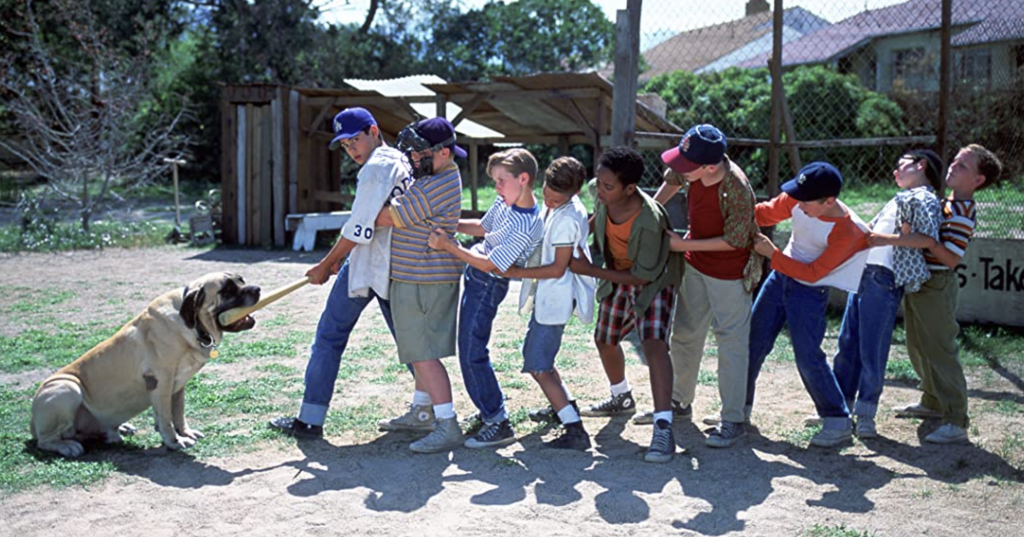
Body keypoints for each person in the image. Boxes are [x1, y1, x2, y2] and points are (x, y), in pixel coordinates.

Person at [269, 107, 418, 439]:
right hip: (397, 263)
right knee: (411, 344)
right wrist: (339, 258)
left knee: (329, 338)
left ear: (374, 130)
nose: (352, 149)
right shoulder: (400, 160)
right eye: (346, 145)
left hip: (371, 265)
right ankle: (433, 410)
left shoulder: (376, 167)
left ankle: (309, 420)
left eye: (355, 140)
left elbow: (358, 227)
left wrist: (325, 263)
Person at [647, 124, 761, 449]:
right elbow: (672, 181)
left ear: (710, 166)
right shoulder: (693, 168)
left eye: (687, 164)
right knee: (685, 333)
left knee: (731, 342)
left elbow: (736, 240)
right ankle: (679, 403)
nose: (680, 168)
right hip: (695, 264)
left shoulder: (736, 187)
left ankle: (733, 419)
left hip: (729, 272)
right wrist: (652, 214)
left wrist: (682, 247)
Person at [880, 144, 1003, 444]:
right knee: (917, 345)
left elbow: (950, 259)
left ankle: (956, 420)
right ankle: (933, 401)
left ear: (978, 181)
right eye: (955, 161)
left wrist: (925, 241)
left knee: (940, 350)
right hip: (920, 281)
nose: (952, 166)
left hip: (937, 284)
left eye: (963, 166)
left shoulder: (963, 212)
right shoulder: (944, 202)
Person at [567, 147, 683, 463]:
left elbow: (642, 278)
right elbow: (595, 218)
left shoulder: (649, 219)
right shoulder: (603, 194)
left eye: (608, 187)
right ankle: (621, 397)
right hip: (619, 273)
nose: (600, 190)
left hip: (652, 280)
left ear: (630, 189)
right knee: (604, 339)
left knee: (654, 344)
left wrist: (589, 270)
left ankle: (663, 427)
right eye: (599, 183)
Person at [746, 162, 870, 448]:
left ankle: (837, 420)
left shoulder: (847, 231)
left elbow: (815, 272)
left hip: (809, 291)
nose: (797, 205)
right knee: (753, 342)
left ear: (829, 201)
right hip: (779, 280)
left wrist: (771, 254)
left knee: (807, 356)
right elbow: (766, 211)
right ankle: (738, 412)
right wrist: (734, 210)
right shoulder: (800, 196)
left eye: (805, 202)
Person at [427, 148, 543, 449]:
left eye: (501, 181)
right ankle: (488, 412)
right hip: (477, 277)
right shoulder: (507, 201)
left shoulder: (525, 223)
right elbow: (483, 227)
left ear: (523, 179)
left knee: (471, 351)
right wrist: (449, 226)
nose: (497, 187)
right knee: (468, 348)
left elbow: (492, 265)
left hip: (488, 284)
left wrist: (448, 246)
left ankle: (497, 419)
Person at [832, 149, 942, 439]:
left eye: (901, 165)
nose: (895, 171)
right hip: (865, 274)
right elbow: (871, 231)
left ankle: (865, 414)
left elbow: (927, 238)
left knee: (872, 349)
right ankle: (839, 409)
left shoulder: (925, 198)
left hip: (884, 279)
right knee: (848, 345)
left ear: (922, 165)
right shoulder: (899, 198)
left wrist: (880, 239)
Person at [374, 117, 466, 453]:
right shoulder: (433, 175)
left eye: (418, 153)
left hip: (425, 277)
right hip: (415, 275)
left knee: (424, 354)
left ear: (442, 153)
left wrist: (366, 205)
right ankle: (422, 411)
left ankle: (447, 424)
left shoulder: (439, 182)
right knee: (417, 349)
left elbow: (389, 216)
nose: (412, 159)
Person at [500, 156, 597, 451]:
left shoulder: (568, 217)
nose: (550, 203)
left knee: (538, 364)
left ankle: (574, 428)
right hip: (548, 296)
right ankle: (564, 407)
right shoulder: (561, 207)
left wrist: (516, 272)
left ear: (574, 194)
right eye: (547, 196)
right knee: (541, 359)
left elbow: (558, 268)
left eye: (556, 200)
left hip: (556, 296)